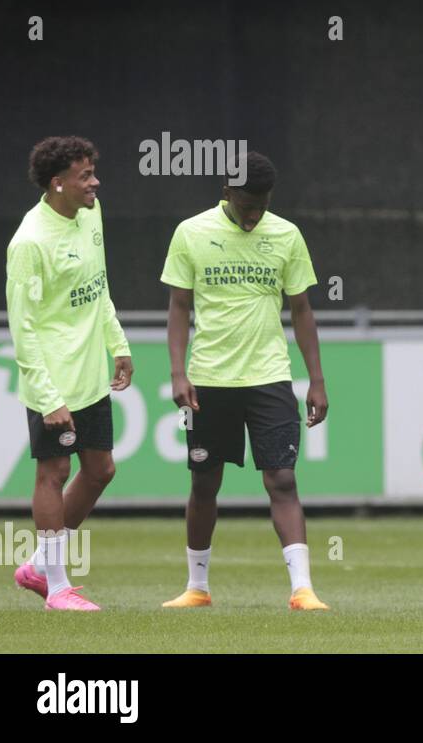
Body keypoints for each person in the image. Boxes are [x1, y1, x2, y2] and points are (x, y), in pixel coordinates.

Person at [160, 151, 331, 610]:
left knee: (282, 479)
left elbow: (301, 310)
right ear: (226, 192)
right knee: (204, 482)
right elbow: (179, 307)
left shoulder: (287, 235)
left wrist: (316, 380)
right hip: (209, 378)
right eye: (245, 205)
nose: (254, 214)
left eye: (261, 205)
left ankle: (303, 590)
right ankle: (197, 587)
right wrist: (178, 372)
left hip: (270, 376)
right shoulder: (191, 233)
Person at [7, 136, 133, 611]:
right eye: (85, 175)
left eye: (93, 171)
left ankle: (39, 565)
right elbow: (22, 329)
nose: (95, 182)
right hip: (52, 380)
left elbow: (98, 287)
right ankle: (57, 587)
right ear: (57, 183)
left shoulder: (89, 213)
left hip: (89, 373)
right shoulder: (29, 243)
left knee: (101, 470)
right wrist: (47, 395)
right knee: (54, 472)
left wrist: (116, 344)